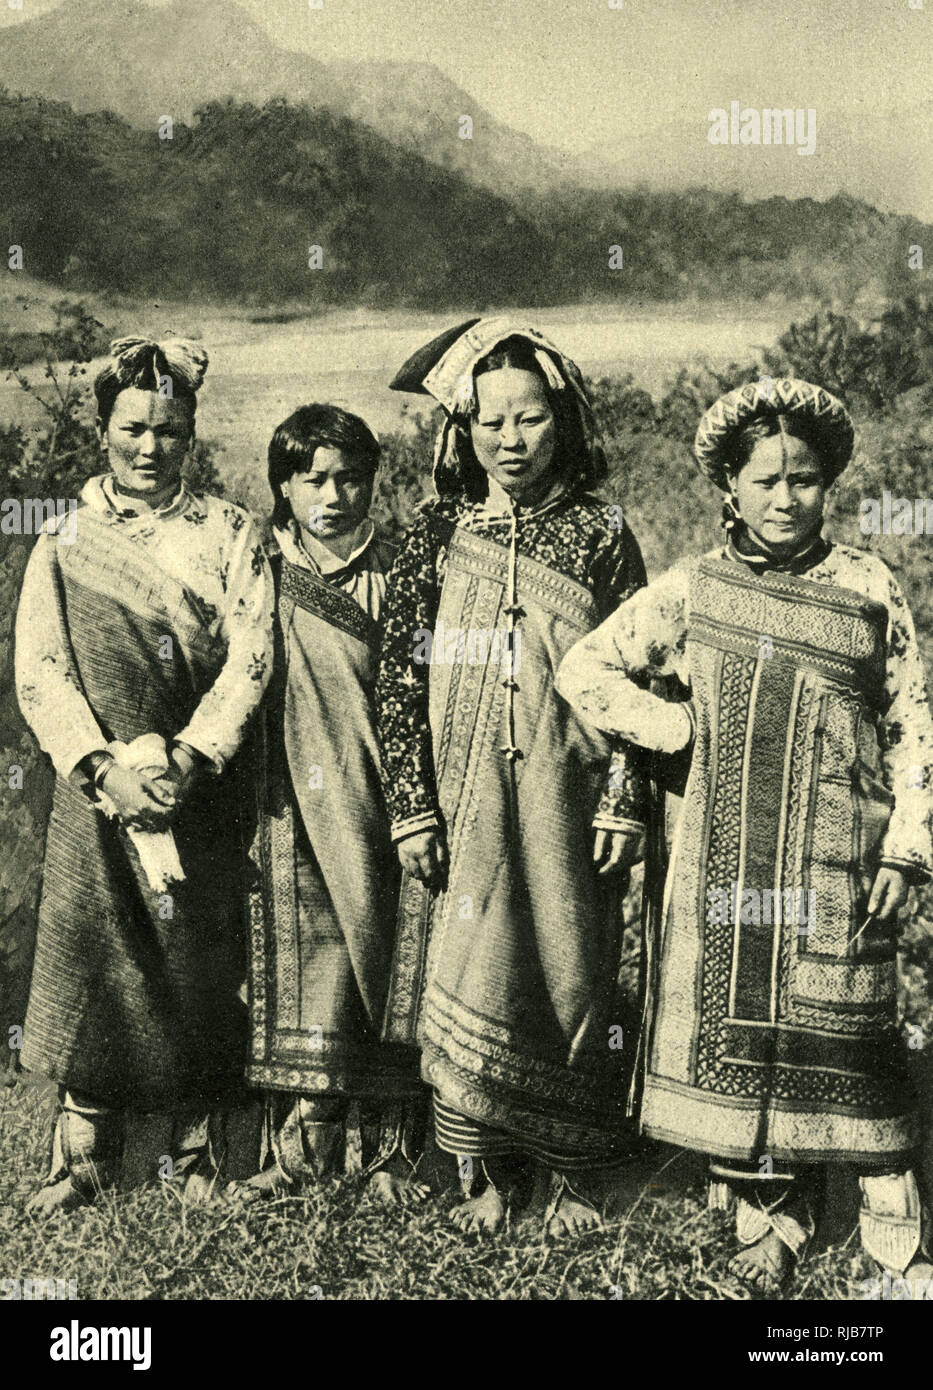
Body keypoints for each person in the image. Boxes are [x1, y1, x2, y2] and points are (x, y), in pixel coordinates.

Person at [556, 377, 933, 1295]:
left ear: (827, 485)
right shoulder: (692, 587)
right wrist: (674, 731)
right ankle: (772, 1217)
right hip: (723, 857)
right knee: (733, 1030)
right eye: (762, 480)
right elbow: (584, 667)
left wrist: (906, 849)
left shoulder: (866, 585)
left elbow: (915, 724)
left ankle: (892, 1232)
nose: (783, 498)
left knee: (845, 1028)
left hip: (841, 856)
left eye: (802, 479)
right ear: (727, 486)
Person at [376, 318, 649, 1236]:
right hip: (461, 796)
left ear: (561, 422)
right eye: (490, 423)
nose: (510, 440)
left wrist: (622, 798)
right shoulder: (437, 529)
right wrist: (412, 807)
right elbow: (397, 672)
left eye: (529, 420)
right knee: (471, 960)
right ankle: (478, 1170)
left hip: (568, 796)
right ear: (462, 432)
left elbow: (642, 678)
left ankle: (571, 1173)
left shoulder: (602, 533)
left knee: (571, 963)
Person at [14, 336, 274, 1216]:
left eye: (169, 429)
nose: (150, 447)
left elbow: (251, 658)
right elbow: (41, 668)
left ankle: (198, 1153)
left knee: (195, 955)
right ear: (102, 429)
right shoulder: (65, 536)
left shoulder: (231, 533)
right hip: (98, 796)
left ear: (192, 431)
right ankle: (80, 1156)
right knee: (95, 949)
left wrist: (193, 759)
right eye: (133, 428)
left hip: (194, 791)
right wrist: (101, 770)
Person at [241, 404, 429, 1204]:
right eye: (312, 478)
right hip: (283, 798)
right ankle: (297, 1154)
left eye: (351, 477)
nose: (333, 495)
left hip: (382, 798)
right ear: (283, 485)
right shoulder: (257, 566)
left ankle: (390, 1156)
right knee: (303, 965)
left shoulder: (401, 569)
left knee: (382, 960)